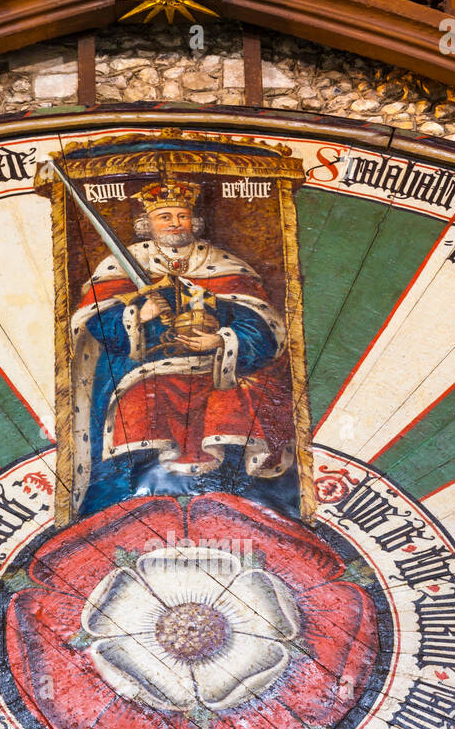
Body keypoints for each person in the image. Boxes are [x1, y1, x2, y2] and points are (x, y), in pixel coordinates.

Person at [69, 178, 300, 517]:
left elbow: (261, 325)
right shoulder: (124, 262)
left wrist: (221, 340)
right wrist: (137, 314)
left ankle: (235, 505)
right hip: (140, 368)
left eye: (181, 215)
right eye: (165, 216)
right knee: (140, 400)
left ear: (194, 221)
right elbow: (94, 322)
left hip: (218, 367)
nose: (175, 223)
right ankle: (130, 506)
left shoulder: (223, 264)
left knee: (245, 398)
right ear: (148, 224)